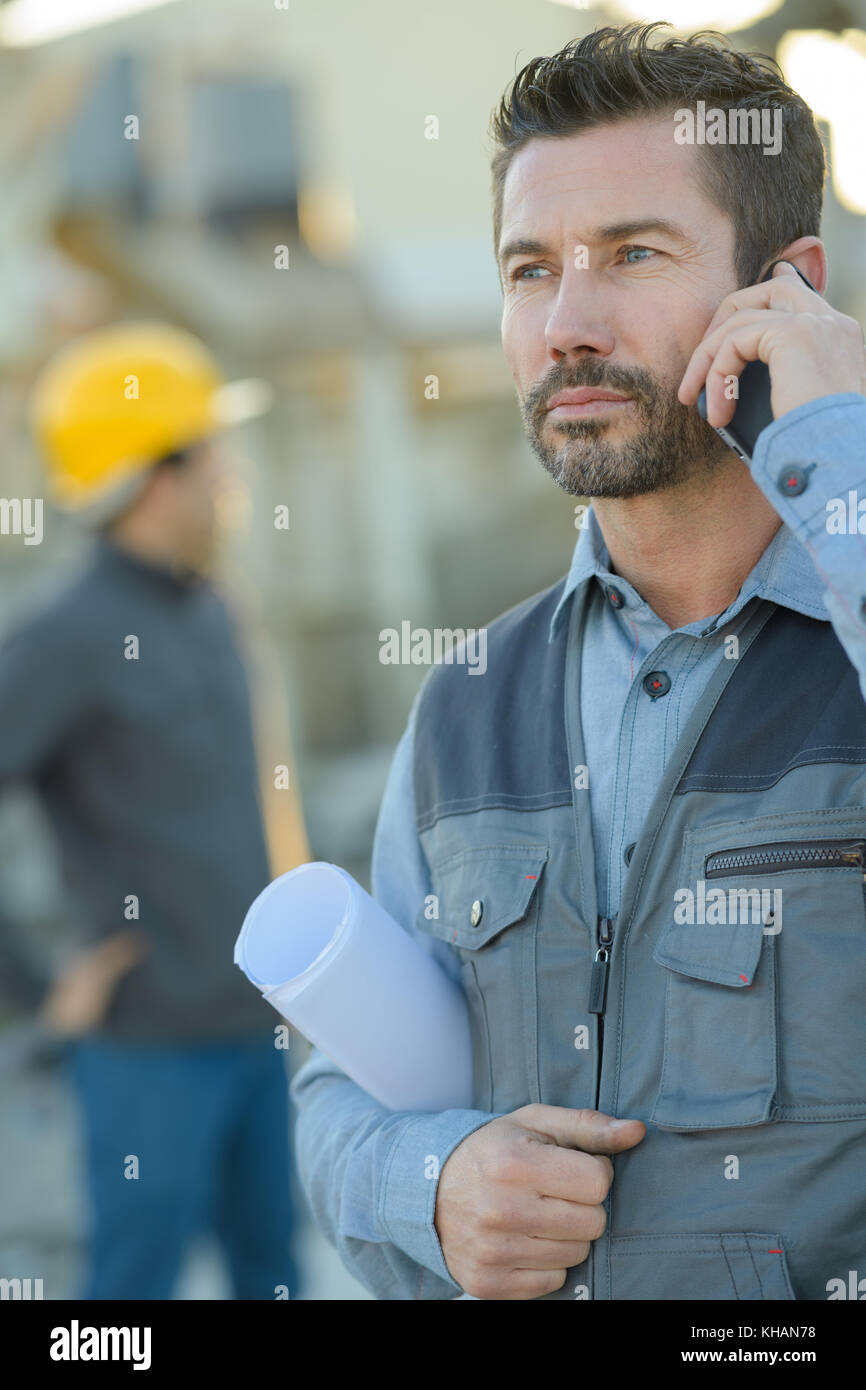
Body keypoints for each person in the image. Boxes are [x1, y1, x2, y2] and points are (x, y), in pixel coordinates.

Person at [290, 23, 866, 1301]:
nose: (563, 323)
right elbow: (336, 1091)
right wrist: (431, 1185)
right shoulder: (465, 704)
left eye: (631, 254)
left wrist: (839, 448)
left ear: (787, 291)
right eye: (529, 268)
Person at [0, 322, 307, 1299]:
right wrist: (36, 988)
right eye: (213, 452)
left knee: (274, 1277)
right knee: (127, 1300)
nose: (232, 476)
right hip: (145, 1055)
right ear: (156, 477)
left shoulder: (215, 607)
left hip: (257, 1030)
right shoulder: (64, 635)